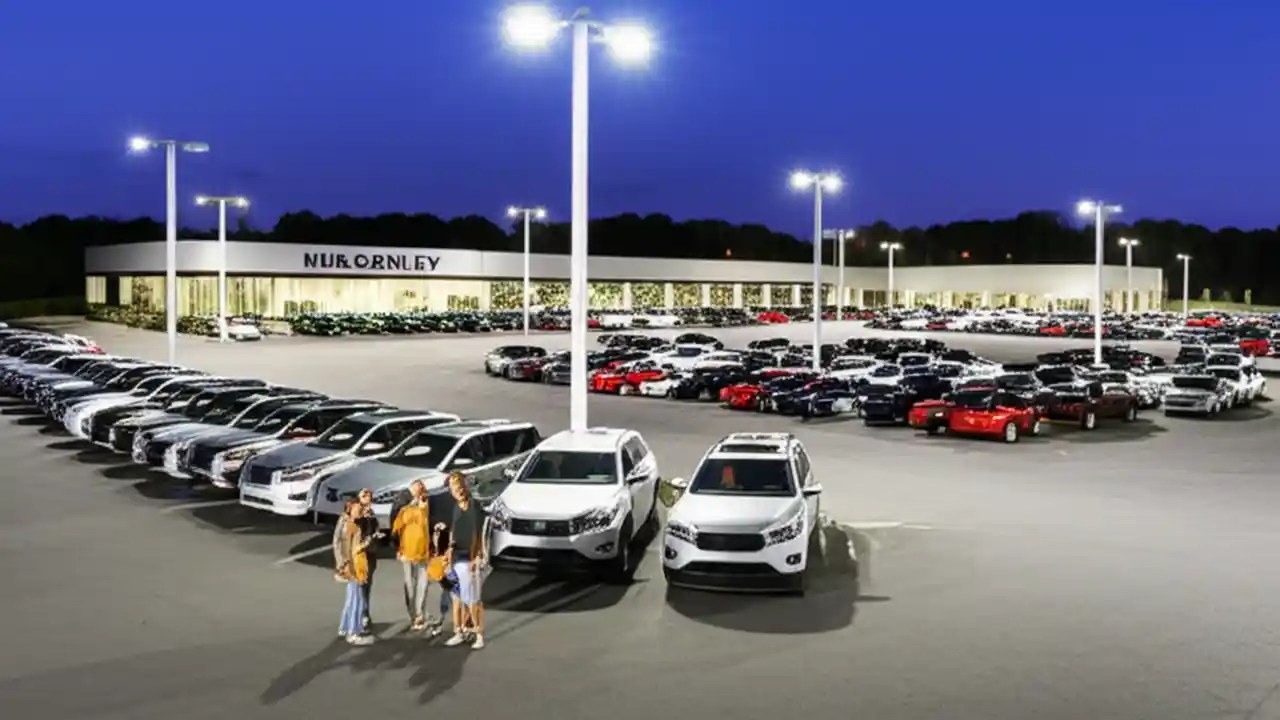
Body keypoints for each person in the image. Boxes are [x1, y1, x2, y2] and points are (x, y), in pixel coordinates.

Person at [444, 472, 489, 650]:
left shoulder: (474, 508)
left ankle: (478, 634)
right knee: (456, 598)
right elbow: (453, 533)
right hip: (456, 558)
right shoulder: (455, 508)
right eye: (455, 488)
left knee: (472, 599)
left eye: (461, 486)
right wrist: (448, 554)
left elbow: (479, 534)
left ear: (466, 486)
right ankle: (459, 632)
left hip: (469, 559)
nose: (459, 490)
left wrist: (477, 556)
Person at [391, 480, 435, 632]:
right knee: (411, 583)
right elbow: (396, 529)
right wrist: (397, 548)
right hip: (408, 552)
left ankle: (419, 613)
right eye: (421, 493)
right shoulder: (406, 510)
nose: (424, 498)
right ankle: (414, 614)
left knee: (422, 583)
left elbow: (429, 530)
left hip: (422, 553)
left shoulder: (426, 510)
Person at [336, 499, 375, 645]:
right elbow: (349, 549)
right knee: (356, 600)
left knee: (351, 598)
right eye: (357, 508)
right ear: (350, 510)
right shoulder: (350, 526)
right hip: (355, 566)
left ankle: (345, 628)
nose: (359, 510)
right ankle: (353, 632)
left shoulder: (351, 524)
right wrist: (349, 567)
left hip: (354, 565)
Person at [355, 488, 381, 630]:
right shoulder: (358, 514)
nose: (368, 498)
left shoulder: (371, 514)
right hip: (361, 553)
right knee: (360, 586)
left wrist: (376, 535)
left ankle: (365, 613)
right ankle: (362, 615)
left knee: (366, 586)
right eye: (365, 496)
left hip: (371, 552)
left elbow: (374, 529)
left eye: (370, 496)